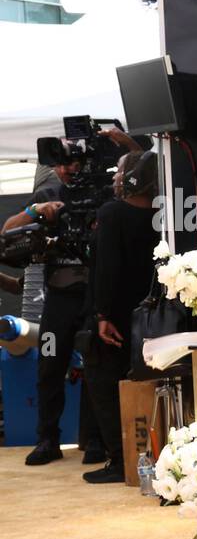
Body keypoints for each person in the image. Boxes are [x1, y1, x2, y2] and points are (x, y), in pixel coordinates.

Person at [7, 153, 107, 467]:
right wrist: (33, 211)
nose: (66, 170)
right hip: (58, 300)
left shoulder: (101, 193)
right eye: (60, 164)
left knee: (95, 366)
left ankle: (95, 440)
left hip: (93, 298)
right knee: (49, 366)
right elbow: (7, 230)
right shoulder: (46, 194)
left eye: (72, 163)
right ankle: (47, 439)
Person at [82, 150, 160, 484]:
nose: (115, 177)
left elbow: (107, 269)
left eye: (121, 172)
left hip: (114, 320)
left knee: (104, 383)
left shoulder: (112, 214)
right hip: (151, 319)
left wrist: (102, 313)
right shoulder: (164, 216)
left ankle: (120, 460)